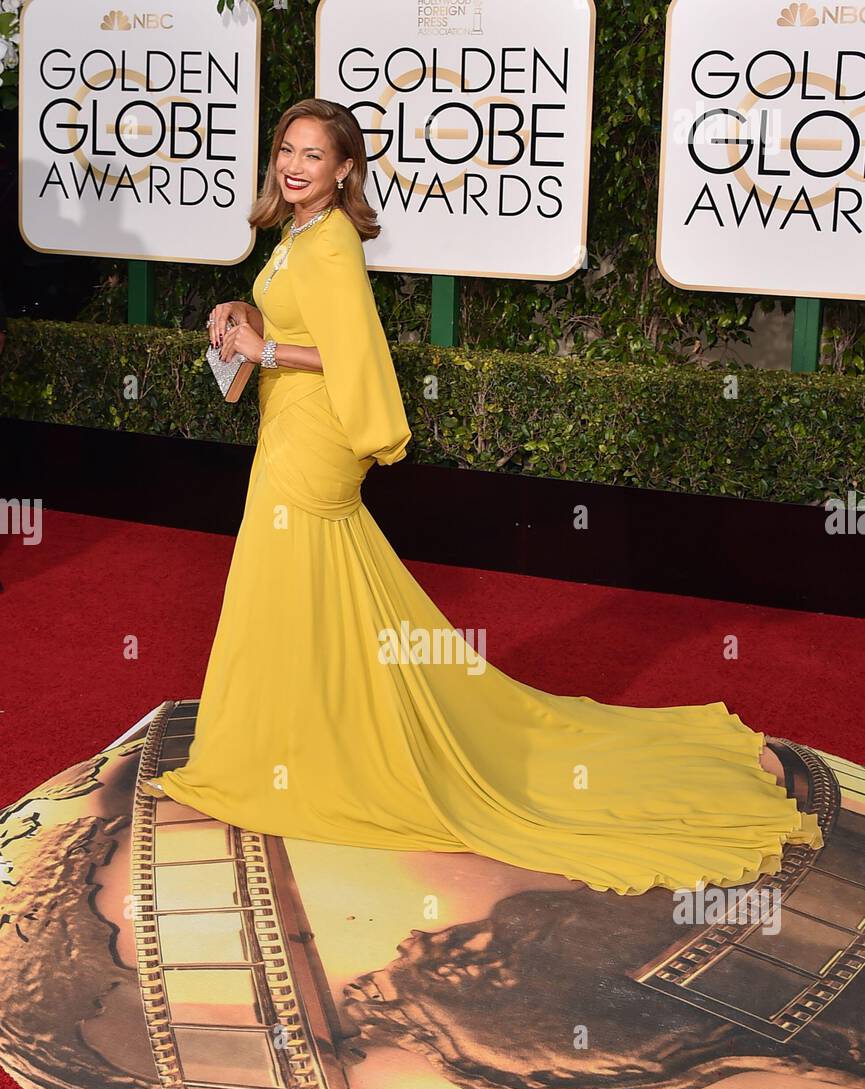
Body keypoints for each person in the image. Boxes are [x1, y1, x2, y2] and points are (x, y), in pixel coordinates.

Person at [144, 98, 822, 896]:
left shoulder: (331, 244)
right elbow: (300, 322)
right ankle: (308, 733)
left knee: (292, 574)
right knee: (301, 581)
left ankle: (309, 746)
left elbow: (357, 359)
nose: (295, 166)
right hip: (288, 422)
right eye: (287, 150)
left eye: (313, 157)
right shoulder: (297, 232)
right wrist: (244, 312)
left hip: (314, 437)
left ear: (344, 170)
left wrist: (267, 347)